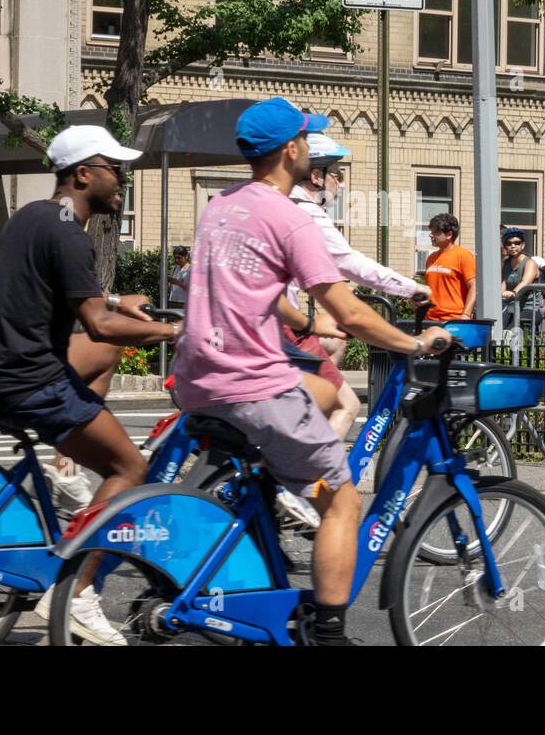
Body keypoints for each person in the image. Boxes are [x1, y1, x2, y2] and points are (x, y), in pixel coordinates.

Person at [173, 96, 453, 646]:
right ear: (289, 150)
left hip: (198, 380)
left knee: (329, 395)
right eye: (306, 139)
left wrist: (303, 322)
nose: (311, 150)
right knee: (343, 501)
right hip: (255, 386)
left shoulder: (220, 205)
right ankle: (329, 633)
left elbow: (256, 288)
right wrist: (414, 342)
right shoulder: (291, 217)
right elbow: (349, 309)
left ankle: (274, 499)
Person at [0, 124, 179, 645]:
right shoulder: (69, 232)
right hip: (29, 380)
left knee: (104, 353)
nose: (122, 181)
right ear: (84, 174)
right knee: (130, 466)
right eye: (115, 170)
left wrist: (117, 301)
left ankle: (69, 455)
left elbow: (83, 306)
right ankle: (78, 594)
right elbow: (100, 324)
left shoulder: (34, 218)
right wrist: (175, 329)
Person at [284, 132, 430, 439]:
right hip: (279, 328)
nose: (342, 183)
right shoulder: (306, 213)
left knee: (335, 340)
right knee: (346, 406)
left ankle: (301, 425)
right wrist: (411, 287)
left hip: (272, 323)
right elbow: (350, 263)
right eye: (337, 174)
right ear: (316, 175)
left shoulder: (282, 203)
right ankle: (312, 482)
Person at [423, 213, 477, 322]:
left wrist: (466, 315)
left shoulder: (463, 255)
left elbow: (474, 287)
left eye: (436, 232)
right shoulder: (431, 258)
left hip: (454, 321)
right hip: (429, 320)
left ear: (449, 235)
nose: (431, 235)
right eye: (431, 231)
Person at [500, 226, 539, 331]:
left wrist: (513, 292)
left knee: (511, 331)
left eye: (517, 243)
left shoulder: (530, 263)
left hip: (529, 308)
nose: (513, 246)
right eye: (509, 243)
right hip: (511, 306)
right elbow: (504, 282)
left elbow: (525, 282)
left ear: (523, 245)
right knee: (497, 328)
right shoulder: (506, 262)